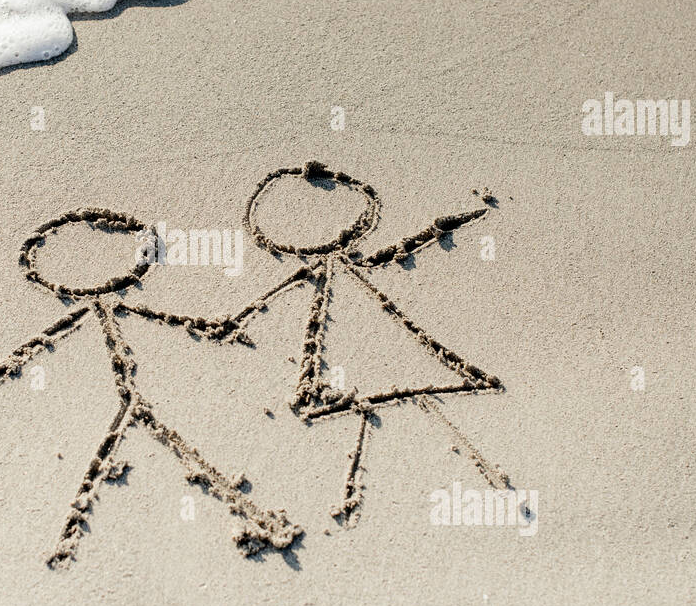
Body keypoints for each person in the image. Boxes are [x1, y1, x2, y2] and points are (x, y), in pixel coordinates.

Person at [0, 207, 300, 567]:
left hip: (127, 390)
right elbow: (27, 354)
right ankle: (250, 514)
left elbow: (26, 353)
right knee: (156, 438)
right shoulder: (103, 306)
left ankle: (72, 532)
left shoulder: (101, 305)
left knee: (150, 437)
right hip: (120, 391)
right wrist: (216, 329)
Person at [217, 161, 509, 525]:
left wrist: (437, 230)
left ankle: (353, 497)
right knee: (399, 405)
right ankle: (359, 494)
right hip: (368, 342)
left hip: (364, 343)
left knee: (384, 407)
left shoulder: (324, 269)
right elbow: (390, 254)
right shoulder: (331, 267)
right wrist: (437, 231)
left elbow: (388, 254)